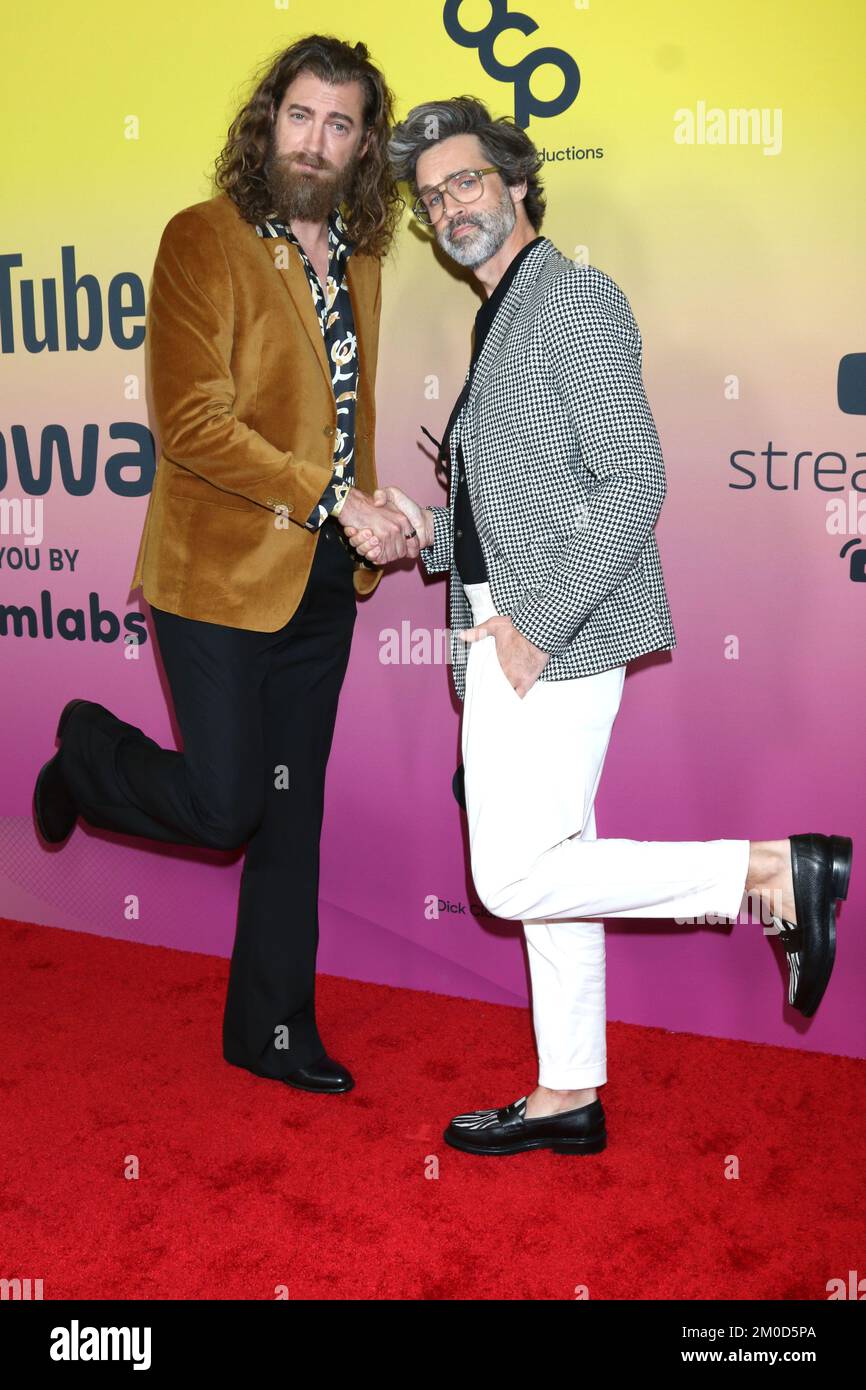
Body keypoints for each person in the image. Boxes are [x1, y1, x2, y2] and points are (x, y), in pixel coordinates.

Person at [342, 97, 854, 1156]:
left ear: (518, 182)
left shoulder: (569, 299)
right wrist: (423, 535)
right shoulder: (503, 313)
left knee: (507, 876)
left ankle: (771, 879)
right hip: (502, 621)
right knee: (551, 863)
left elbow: (634, 482)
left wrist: (532, 625)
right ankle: (567, 1091)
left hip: (546, 636)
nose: (449, 206)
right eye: (432, 195)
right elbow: (522, 507)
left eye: (466, 181)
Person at [32, 35, 421, 1096]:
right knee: (225, 805)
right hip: (216, 577)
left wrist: (370, 507)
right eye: (301, 115)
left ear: (360, 143)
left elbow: (342, 417)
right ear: (268, 120)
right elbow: (193, 421)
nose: (317, 140)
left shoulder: (362, 258)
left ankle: (272, 1028)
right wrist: (336, 496)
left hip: (320, 586)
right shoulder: (201, 239)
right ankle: (87, 755)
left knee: (291, 812)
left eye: (341, 124)